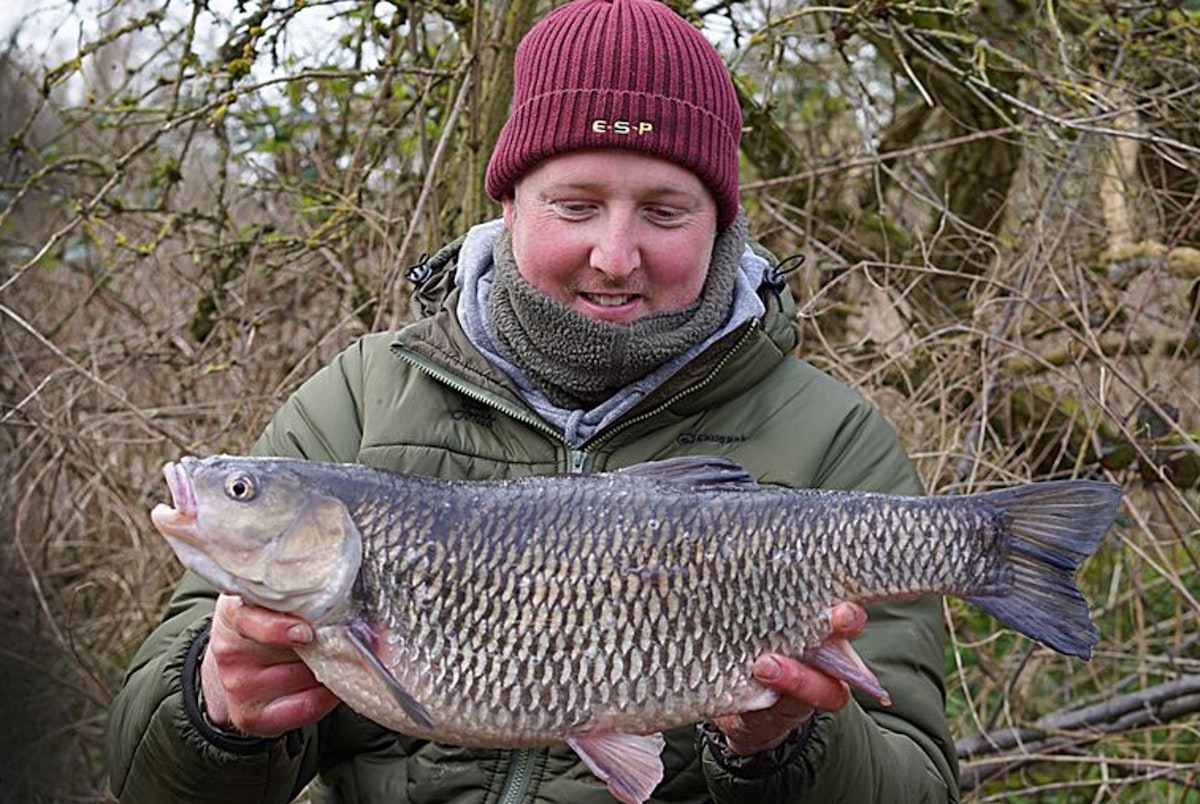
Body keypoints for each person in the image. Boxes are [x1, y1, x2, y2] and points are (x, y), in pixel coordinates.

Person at [106, 0, 959, 801]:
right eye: (576, 205)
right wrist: (217, 704)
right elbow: (142, 775)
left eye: (665, 212)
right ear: (509, 202)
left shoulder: (837, 442)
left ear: (722, 225)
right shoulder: (355, 404)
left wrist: (781, 746)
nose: (615, 255)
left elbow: (917, 783)